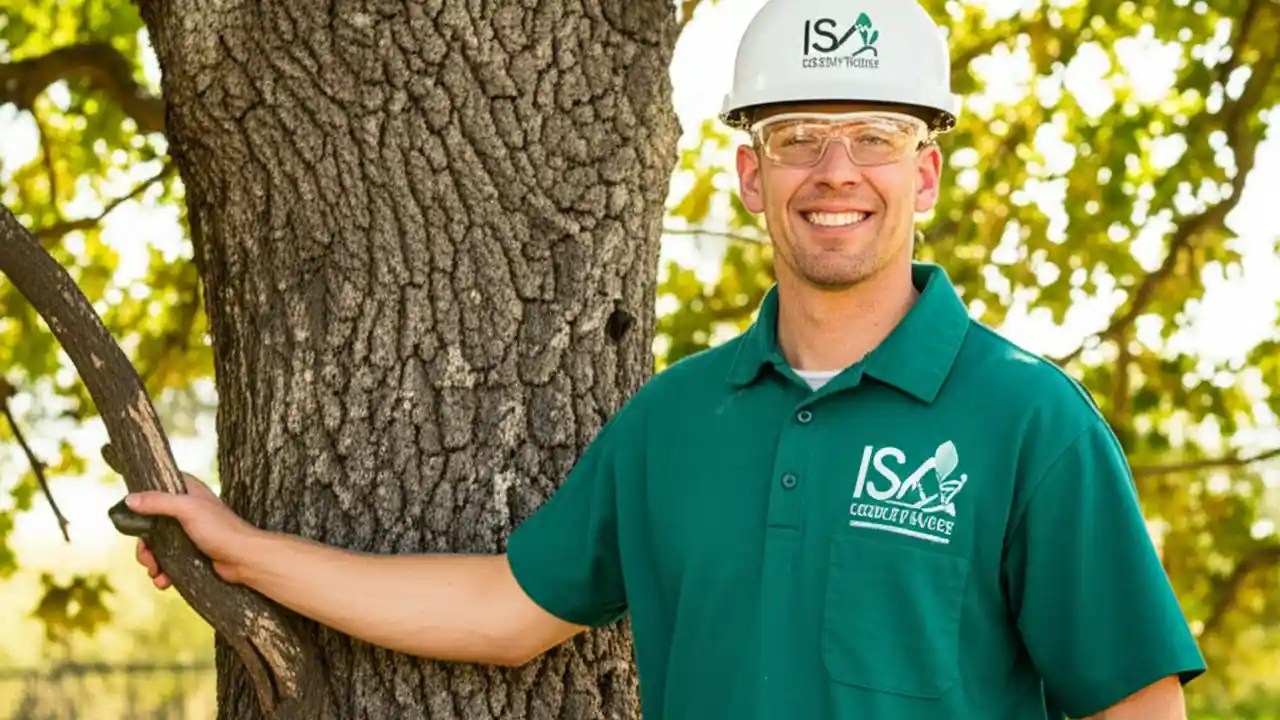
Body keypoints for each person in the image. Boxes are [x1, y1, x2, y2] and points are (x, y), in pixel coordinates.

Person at [125, 0, 1207, 717]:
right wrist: (242, 550)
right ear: (748, 173)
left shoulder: (1029, 420)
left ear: (921, 176)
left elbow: (1138, 705)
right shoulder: (679, 419)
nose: (835, 170)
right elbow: (505, 612)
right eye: (797, 138)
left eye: (872, 136)